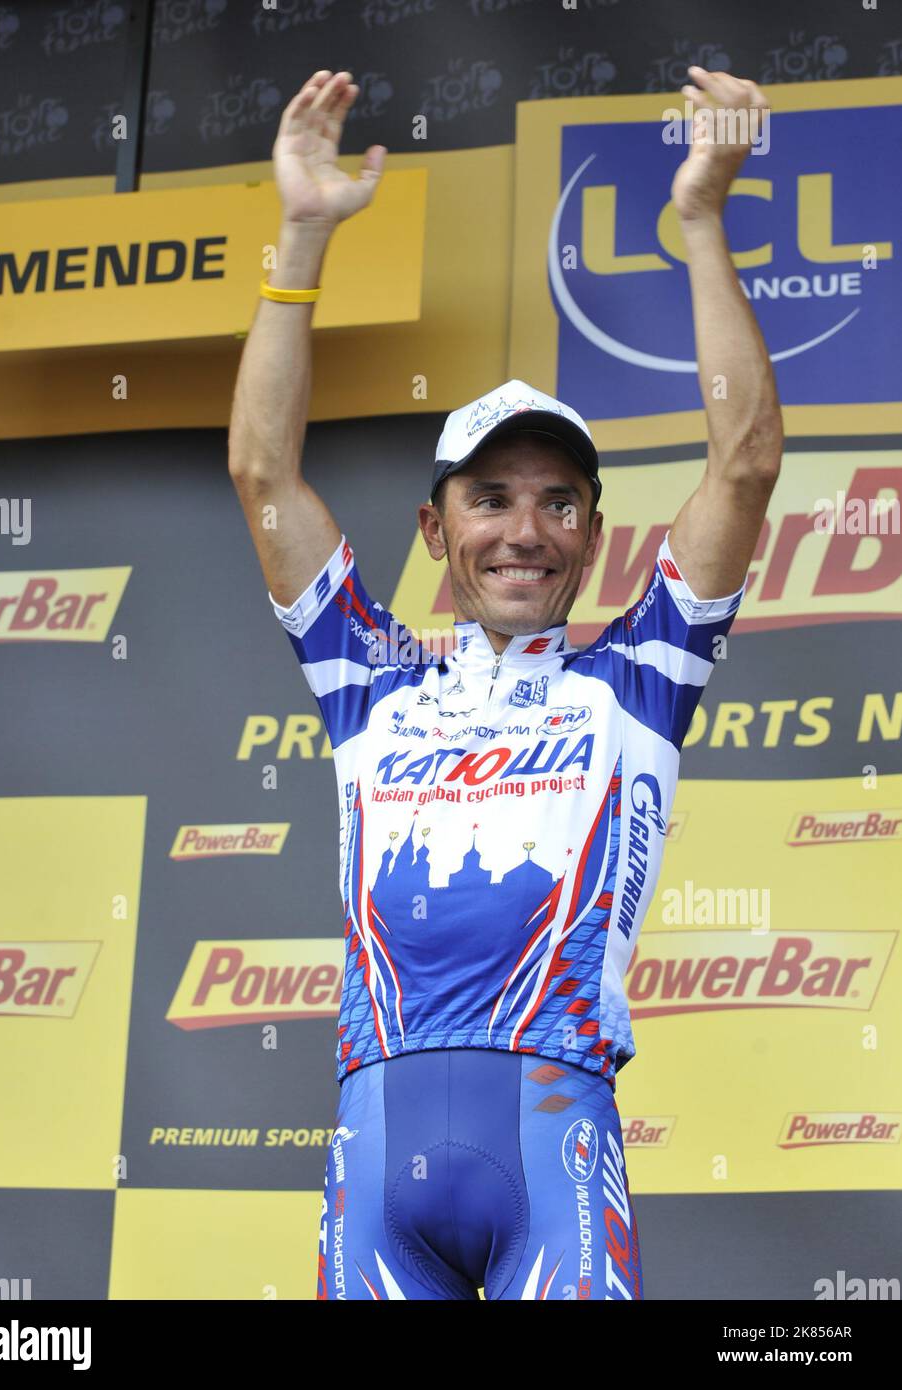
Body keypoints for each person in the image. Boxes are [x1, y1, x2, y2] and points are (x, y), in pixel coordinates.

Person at [229, 68, 782, 1301]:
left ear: (591, 535)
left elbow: (742, 464)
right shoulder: (368, 680)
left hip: (554, 1136)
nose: (523, 530)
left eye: (557, 503)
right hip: (374, 1147)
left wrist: (700, 218)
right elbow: (263, 474)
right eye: (488, 499)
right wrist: (302, 236)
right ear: (435, 530)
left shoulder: (638, 678)